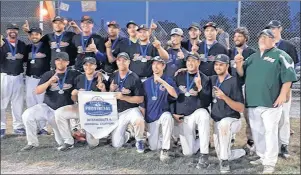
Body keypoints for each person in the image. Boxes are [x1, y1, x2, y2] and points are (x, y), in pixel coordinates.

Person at [235, 29, 297, 174]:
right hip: (253, 101)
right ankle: (262, 156)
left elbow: (288, 76)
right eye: (260, 37)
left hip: (271, 103)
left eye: (266, 37)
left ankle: (270, 163)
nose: (262, 40)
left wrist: (282, 95)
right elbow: (241, 74)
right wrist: (238, 65)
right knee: (258, 132)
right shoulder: (253, 57)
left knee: (270, 132)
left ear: (274, 40)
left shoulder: (281, 55)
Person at [20, 52, 81, 151]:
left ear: (68, 62)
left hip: (63, 111)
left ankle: (70, 138)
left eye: (63, 60)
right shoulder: (48, 74)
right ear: (55, 62)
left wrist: (98, 73)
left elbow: (86, 77)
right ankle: (32, 142)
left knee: (61, 142)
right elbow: (37, 91)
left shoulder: (74, 74)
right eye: (58, 60)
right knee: (27, 114)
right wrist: (49, 82)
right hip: (48, 107)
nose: (60, 62)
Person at [55, 57, 107, 151]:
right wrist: (73, 94)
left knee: (93, 143)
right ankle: (68, 141)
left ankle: (93, 134)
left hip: (95, 111)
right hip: (80, 107)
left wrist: (103, 89)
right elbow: (74, 99)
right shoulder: (79, 78)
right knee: (59, 113)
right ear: (83, 66)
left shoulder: (102, 78)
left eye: (91, 64)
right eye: (86, 65)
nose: (88, 67)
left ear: (95, 66)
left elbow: (107, 100)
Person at [265, 20, 299, 159]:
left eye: (274, 28)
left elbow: (293, 67)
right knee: (269, 118)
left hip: (284, 87)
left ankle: (283, 146)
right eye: (270, 28)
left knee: (284, 117)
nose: (272, 30)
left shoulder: (288, 46)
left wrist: (288, 88)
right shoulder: (265, 46)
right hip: (269, 88)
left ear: (280, 29)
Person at [172, 53, 211, 168]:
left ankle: (204, 154)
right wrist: (173, 112)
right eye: (188, 60)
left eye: (193, 60)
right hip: (183, 116)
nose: (190, 63)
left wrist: (200, 88)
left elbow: (206, 102)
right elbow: (171, 96)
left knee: (204, 114)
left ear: (199, 62)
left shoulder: (204, 78)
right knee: (188, 152)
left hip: (196, 113)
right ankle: (201, 139)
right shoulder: (179, 75)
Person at [210, 54, 246, 173]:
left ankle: (224, 163)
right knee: (220, 152)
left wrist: (224, 97)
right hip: (217, 121)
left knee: (224, 124)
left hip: (232, 120)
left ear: (227, 66)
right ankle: (240, 152)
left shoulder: (234, 81)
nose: (218, 67)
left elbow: (241, 108)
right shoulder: (213, 79)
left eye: (221, 65)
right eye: (216, 64)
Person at [140, 56, 179, 161]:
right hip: (150, 118)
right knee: (154, 147)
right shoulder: (146, 83)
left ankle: (165, 149)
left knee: (167, 117)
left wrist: (162, 82)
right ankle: (165, 139)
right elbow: (142, 104)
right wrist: (143, 122)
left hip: (162, 114)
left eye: (158, 64)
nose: (155, 66)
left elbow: (175, 95)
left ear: (163, 66)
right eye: (154, 64)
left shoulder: (168, 80)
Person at [108, 52, 145, 153]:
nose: (122, 62)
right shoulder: (113, 76)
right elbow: (107, 97)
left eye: (124, 60)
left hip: (131, 109)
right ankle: (128, 133)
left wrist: (124, 97)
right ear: (116, 62)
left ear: (129, 62)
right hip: (118, 112)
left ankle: (139, 140)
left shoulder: (134, 77)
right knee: (117, 144)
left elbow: (140, 99)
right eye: (119, 60)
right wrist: (110, 90)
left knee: (139, 120)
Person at [228, 27, 256, 153]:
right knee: (230, 112)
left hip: (246, 86)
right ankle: (230, 138)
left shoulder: (251, 52)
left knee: (248, 115)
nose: (236, 38)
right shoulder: (230, 52)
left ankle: (251, 141)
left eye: (239, 36)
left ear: (245, 38)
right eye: (235, 36)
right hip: (233, 87)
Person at [1, 23, 27, 138]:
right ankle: (1, 127)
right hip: (4, 75)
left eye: (15, 29)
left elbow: (25, 59)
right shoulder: (2, 43)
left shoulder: (21, 45)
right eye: (10, 29)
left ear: (18, 32)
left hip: (18, 76)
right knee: (2, 103)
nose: (13, 31)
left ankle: (18, 126)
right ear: (7, 31)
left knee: (18, 103)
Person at [25, 27, 51, 135]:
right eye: (32, 35)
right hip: (30, 77)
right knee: (30, 102)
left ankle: (43, 127)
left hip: (42, 78)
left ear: (41, 35)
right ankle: (33, 126)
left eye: (37, 34)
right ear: (29, 36)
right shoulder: (28, 47)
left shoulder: (47, 47)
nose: (34, 36)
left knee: (41, 102)